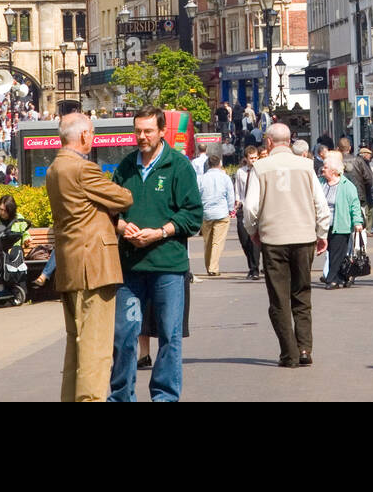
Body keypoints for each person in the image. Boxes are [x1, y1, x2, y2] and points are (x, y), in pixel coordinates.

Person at [108, 106, 203, 402]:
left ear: (162, 131)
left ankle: (164, 396)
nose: (141, 136)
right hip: (131, 268)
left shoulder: (178, 166)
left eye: (148, 131)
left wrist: (161, 232)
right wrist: (122, 226)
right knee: (125, 335)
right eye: (137, 131)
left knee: (169, 336)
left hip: (168, 267)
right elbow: (109, 212)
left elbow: (193, 215)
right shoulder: (124, 167)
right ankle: (122, 396)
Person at [45, 112, 134, 402]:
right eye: (92, 133)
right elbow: (123, 198)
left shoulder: (55, 168)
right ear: (84, 136)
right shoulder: (84, 170)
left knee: (76, 348)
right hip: (93, 267)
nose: (92, 138)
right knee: (96, 349)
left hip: (70, 267)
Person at [243, 123, 331, 367]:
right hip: (303, 238)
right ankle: (304, 348)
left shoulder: (260, 167)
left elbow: (250, 209)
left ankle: (289, 353)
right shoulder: (306, 166)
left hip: (273, 240)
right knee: (302, 293)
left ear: (269, 142)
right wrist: (321, 232)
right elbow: (321, 205)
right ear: (289, 141)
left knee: (279, 299)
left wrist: (253, 231)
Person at [319, 152, 363, 289]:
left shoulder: (346, 185)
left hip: (340, 224)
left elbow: (355, 205)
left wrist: (357, 222)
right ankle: (342, 277)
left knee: (336, 254)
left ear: (333, 171)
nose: (322, 169)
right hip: (324, 225)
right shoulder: (320, 183)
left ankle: (332, 280)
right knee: (332, 253)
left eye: (325, 167)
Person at [197, 149, 236, 277]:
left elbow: (197, 195)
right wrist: (231, 209)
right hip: (221, 213)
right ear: (219, 164)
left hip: (206, 213)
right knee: (217, 242)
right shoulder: (225, 178)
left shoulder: (201, 179)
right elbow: (230, 195)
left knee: (207, 242)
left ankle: (208, 266)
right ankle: (213, 267)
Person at [234, 145, 262, 279]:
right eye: (251, 158)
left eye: (256, 158)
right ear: (246, 159)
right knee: (244, 239)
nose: (254, 160)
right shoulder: (241, 172)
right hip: (244, 207)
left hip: (257, 208)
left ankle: (254, 269)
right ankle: (251, 264)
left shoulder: (261, 171)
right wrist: (236, 201)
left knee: (254, 241)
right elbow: (238, 190)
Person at [339, 137, 373, 230]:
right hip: (359, 196)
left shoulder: (336, 161)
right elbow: (369, 179)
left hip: (341, 197)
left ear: (338, 148)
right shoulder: (358, 160)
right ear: (350, 148)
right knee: (359, 223)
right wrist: (364, 190)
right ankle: (360, 243)